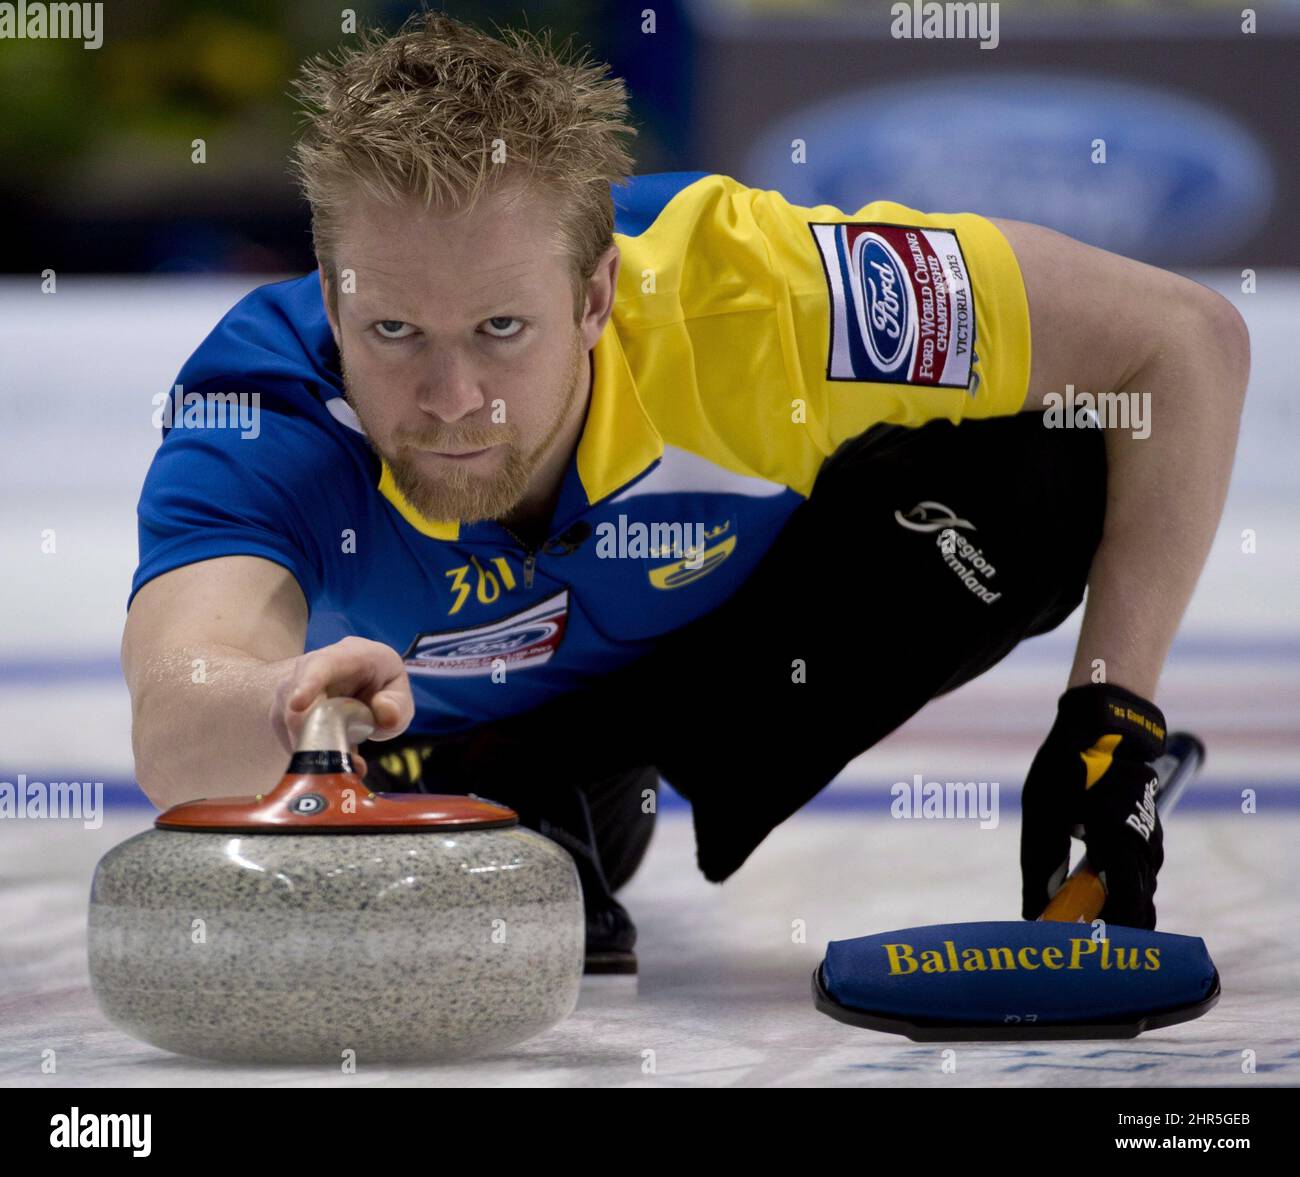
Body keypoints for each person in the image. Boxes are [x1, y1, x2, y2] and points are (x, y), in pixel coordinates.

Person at [121, 13, 1249, 975]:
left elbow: (1180, 340)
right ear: (330, 291)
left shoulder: (765, 294)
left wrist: (1112, 716)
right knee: (525, 863)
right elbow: (178, 712)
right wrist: (284, 706)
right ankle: (524, 780)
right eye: (393, 330)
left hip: (731, 664)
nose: (452, 397)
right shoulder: (263, 409)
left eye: (502, 328)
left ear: (600, 289)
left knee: (1046, 463)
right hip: (445, 759)